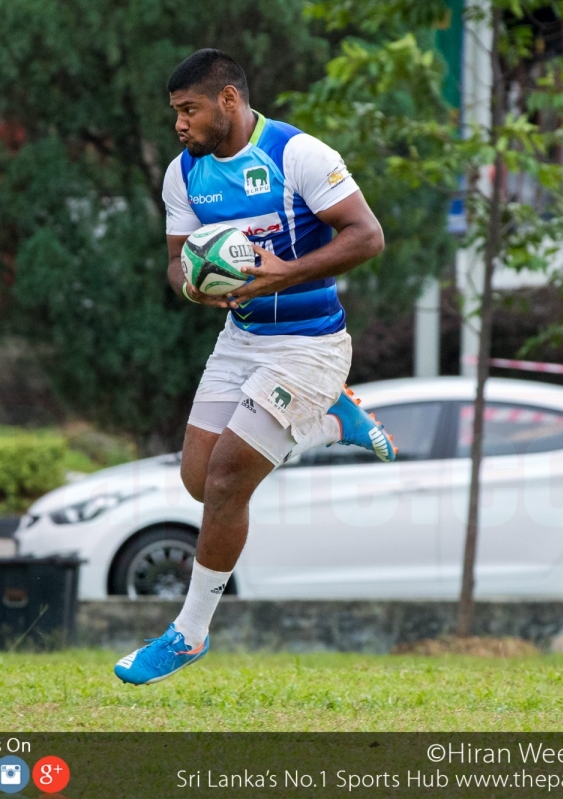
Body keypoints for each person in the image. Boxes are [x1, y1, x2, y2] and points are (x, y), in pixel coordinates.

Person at [114, 49, 392, 685]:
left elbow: (367, 235)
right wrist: (196, 286)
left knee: (227, 481)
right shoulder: (184, 174)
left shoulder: (298, 155)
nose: (179, 124)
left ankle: (188, 634)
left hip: (311, 345)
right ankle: (330, 419)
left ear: (229, 100)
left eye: (189, 110)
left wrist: (282, 275)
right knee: (198, 479)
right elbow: (176, 263)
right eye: (175, 112)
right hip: (240, 339)